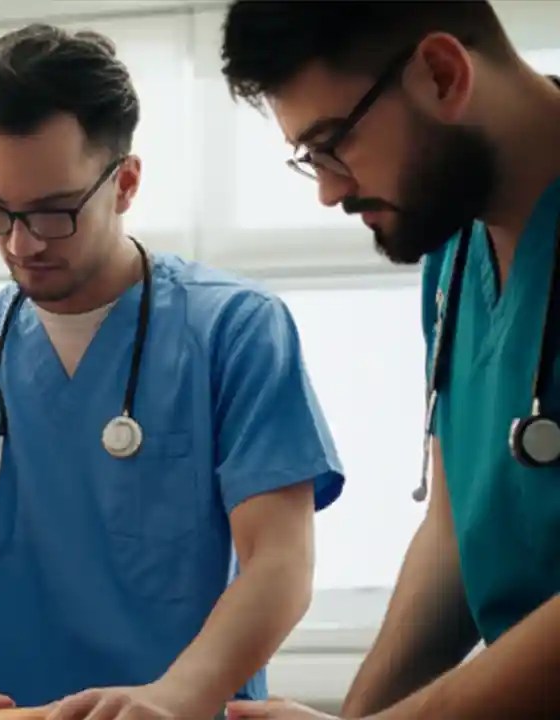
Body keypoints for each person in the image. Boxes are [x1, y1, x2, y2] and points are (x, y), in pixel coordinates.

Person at [0, 23, 346, 720]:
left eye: (53, 213)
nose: (21, 243)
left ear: (126, 183)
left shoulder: (233, 331)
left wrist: (173, 699)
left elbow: (280, 562)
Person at [217, 2, 560, 719]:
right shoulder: (453, 254)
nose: (329, 190)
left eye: (333, 144)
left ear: (442, 74)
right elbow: (455, 532)